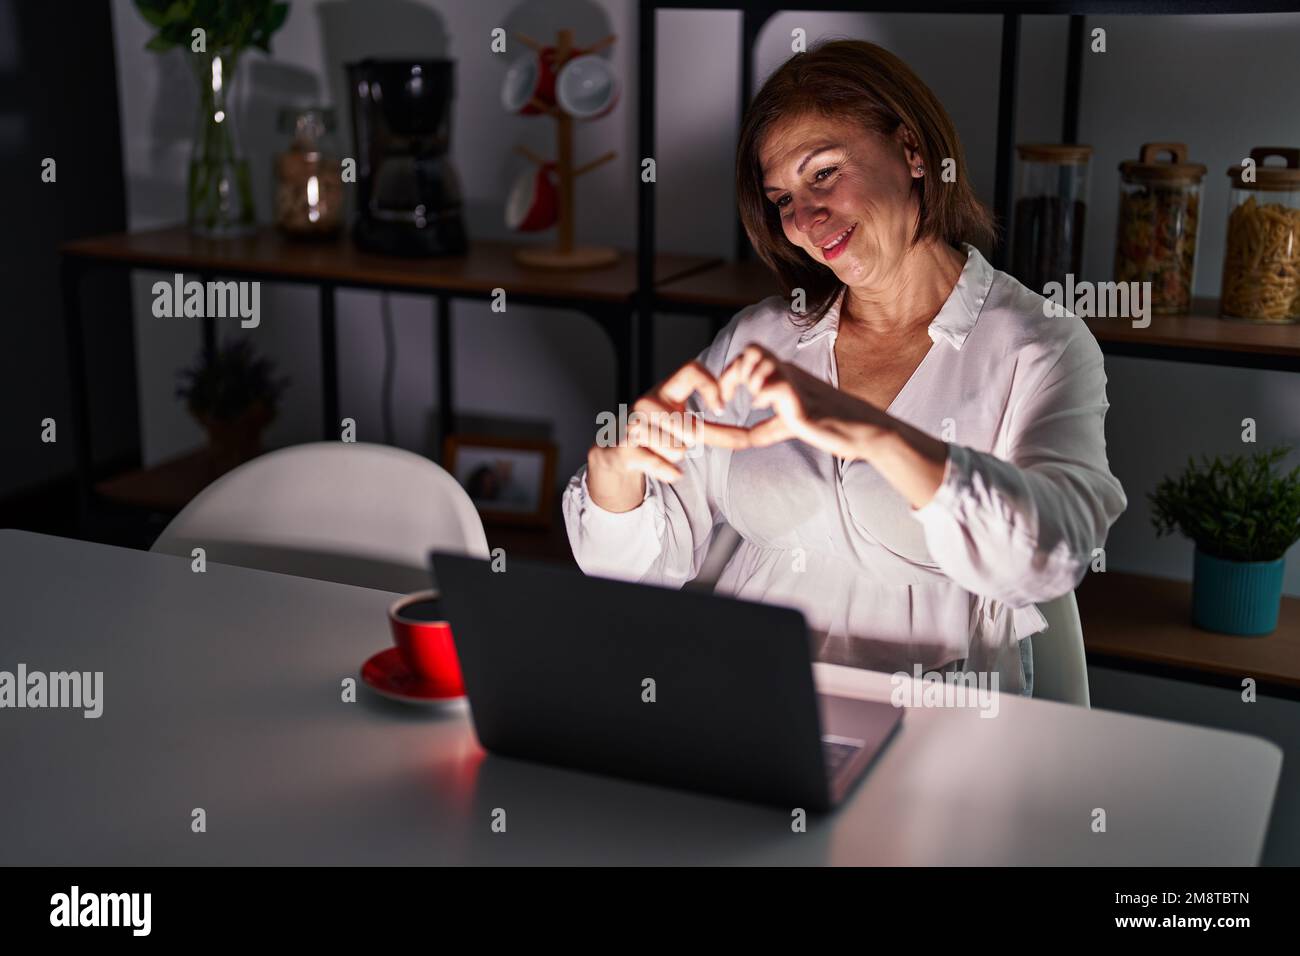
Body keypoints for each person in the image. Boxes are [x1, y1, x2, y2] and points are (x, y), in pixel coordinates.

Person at [562, 39, 1127, 695]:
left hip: (935, 727)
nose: (804, 218)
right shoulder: (762, 338)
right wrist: (617, 475)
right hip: (742, 697)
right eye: (782, 199)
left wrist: (869, 431)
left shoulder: (1040, 345)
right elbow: (633, 570)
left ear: (913, 152)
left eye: (824, 173)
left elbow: (1054, 549)